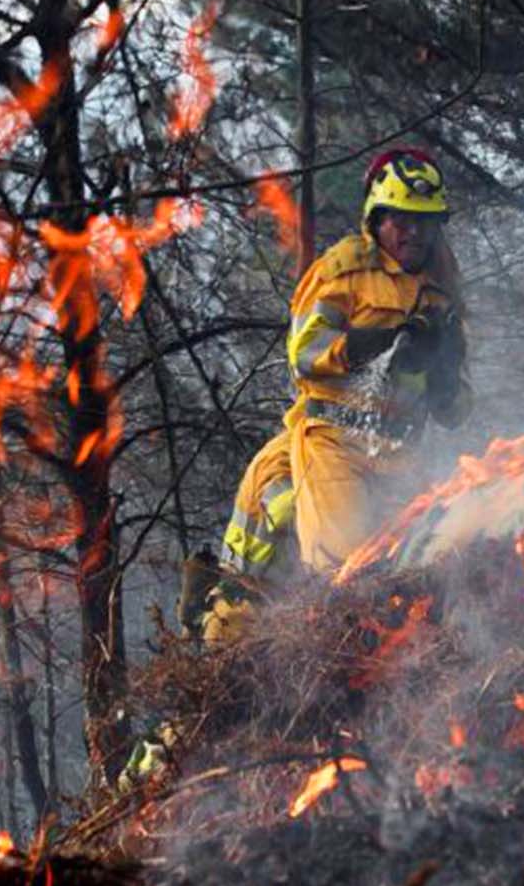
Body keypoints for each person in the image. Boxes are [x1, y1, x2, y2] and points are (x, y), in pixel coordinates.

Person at [197, 148, 470, 640]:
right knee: (343, 568)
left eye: (426, 223)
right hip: (334, 440)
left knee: (404, 579)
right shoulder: (343, 270)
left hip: (402, 457)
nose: (414, 234)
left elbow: (456, 412)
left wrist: (445, 373)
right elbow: (304, 353)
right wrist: (376, 344)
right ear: (377, 218)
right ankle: (235, 637)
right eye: (402, 221)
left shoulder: (443, 295)